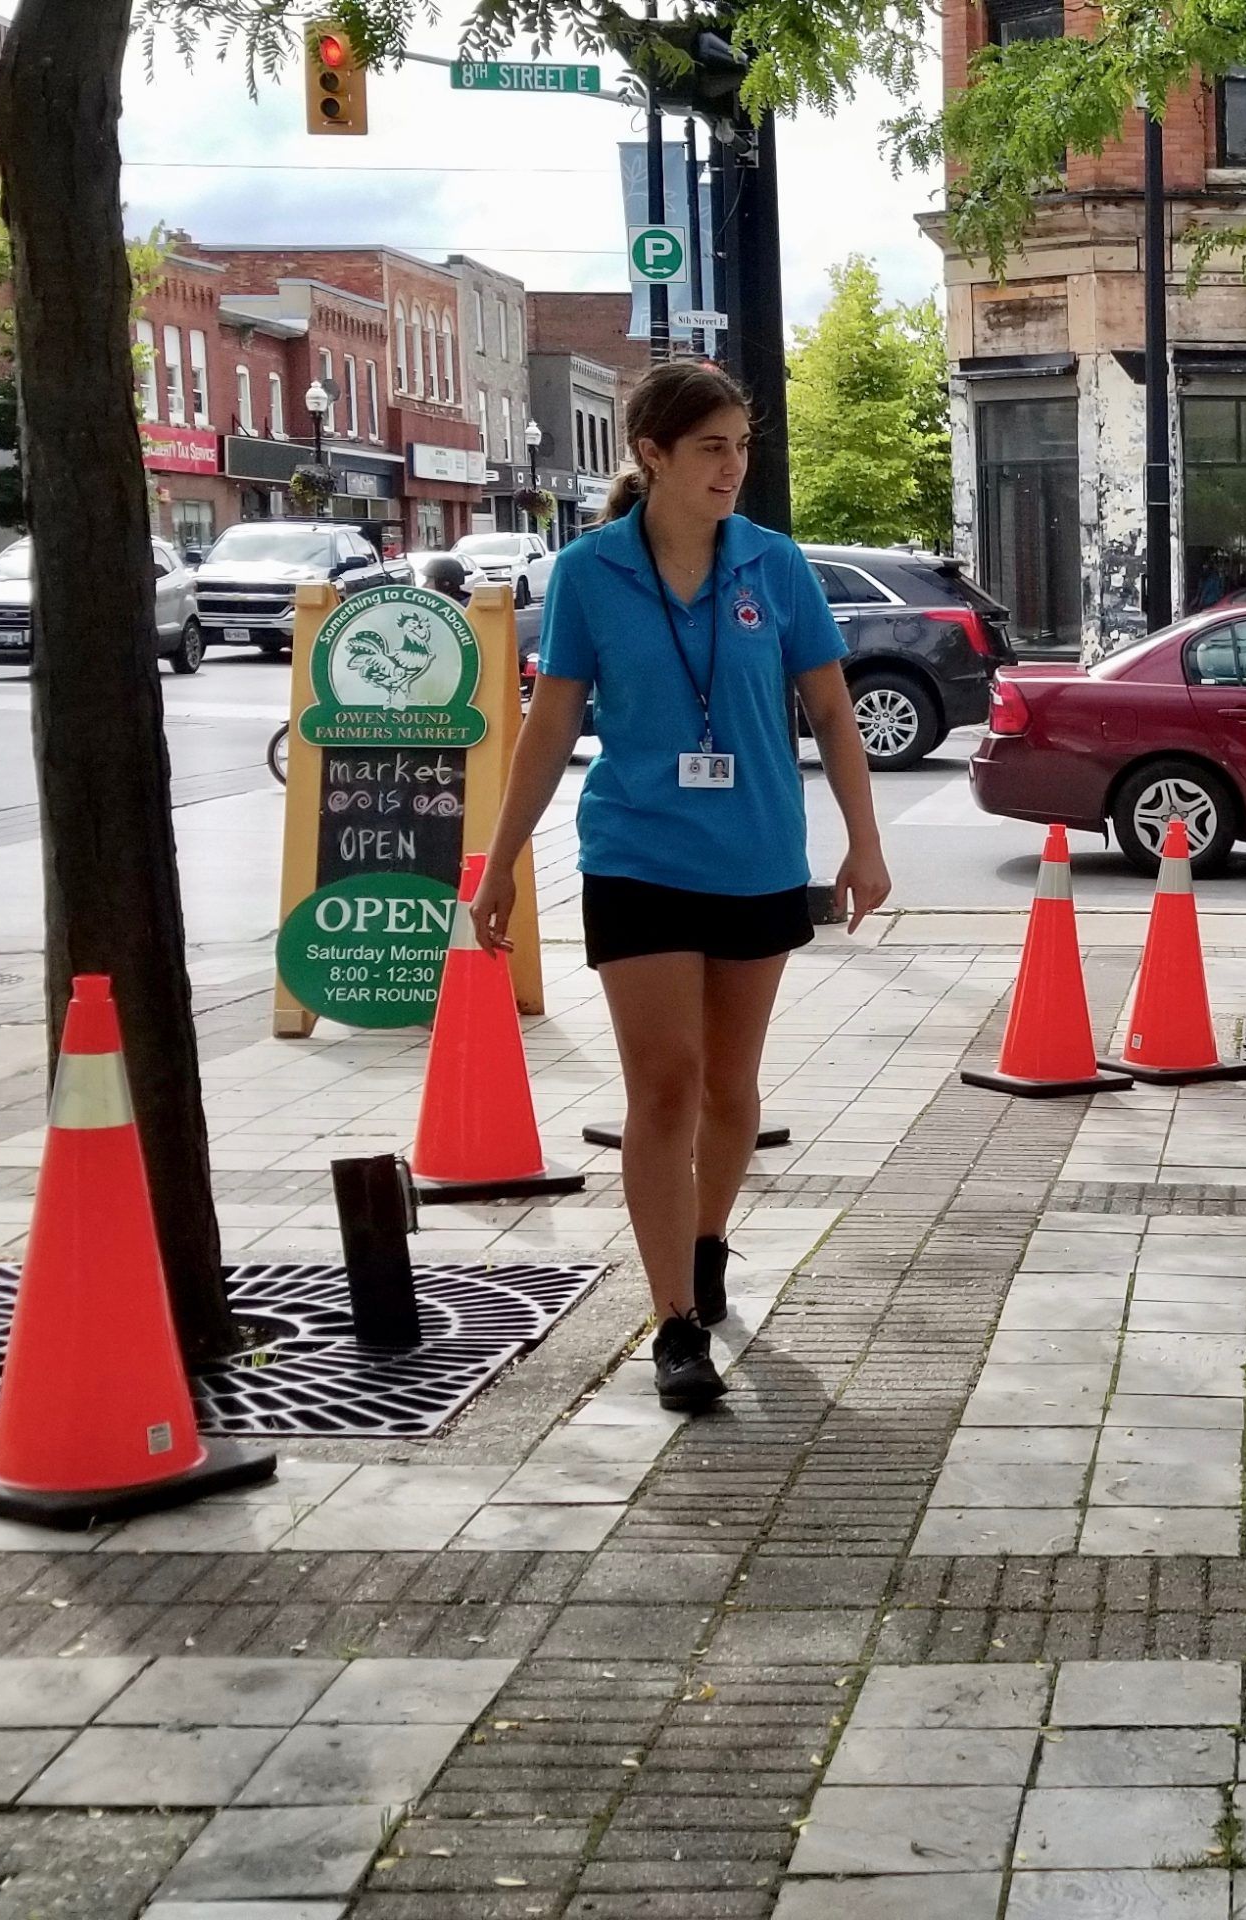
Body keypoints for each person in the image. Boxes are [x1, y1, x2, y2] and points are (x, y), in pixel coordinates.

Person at [468, 361, 890, 1412]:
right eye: (711, 448)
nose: (732, 466)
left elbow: (832, 713)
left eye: (741, 446)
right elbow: (550, 724)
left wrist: (864, 844)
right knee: (664, 1084)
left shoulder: (774, 565)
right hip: (635, 855)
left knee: (729, 1089)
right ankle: (673, 1324)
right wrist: (502, 860)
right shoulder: (588, 572)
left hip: (754, 855)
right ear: (650, 455)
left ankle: (706, 1244)